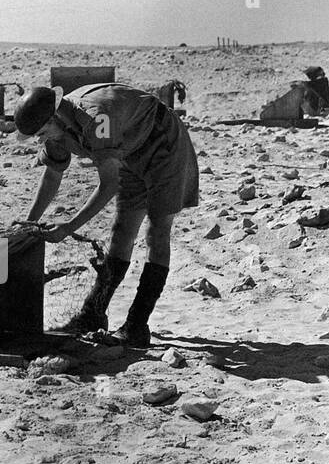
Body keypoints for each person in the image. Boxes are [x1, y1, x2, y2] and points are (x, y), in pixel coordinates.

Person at [14, 82, 200, 348]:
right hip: (129, 153)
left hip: (163, 144)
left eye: (43, 132)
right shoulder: (57, 129)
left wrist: (68, 226)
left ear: (55, 116)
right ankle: (93, 314)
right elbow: (53, 173)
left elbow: (109, 184)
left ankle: (136, 325)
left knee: (157, 232)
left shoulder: (97, 117)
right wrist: (29, 222)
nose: (42, 139)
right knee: (122, 231)